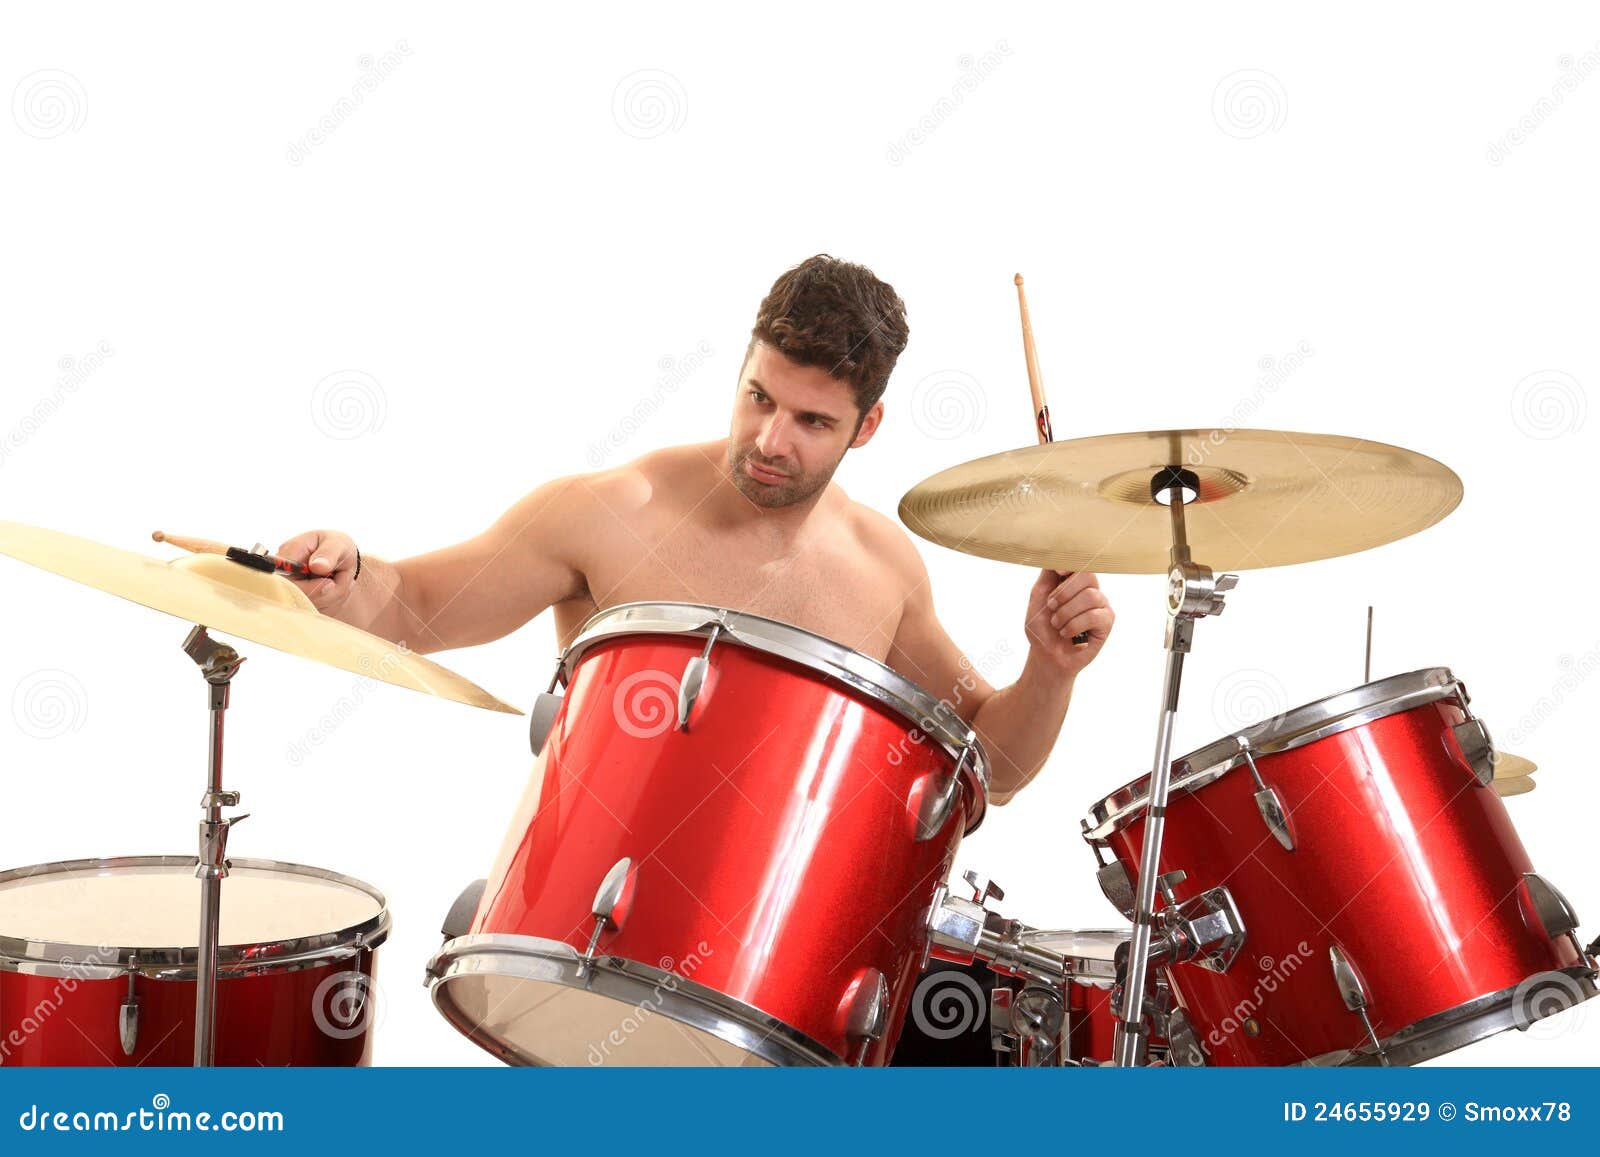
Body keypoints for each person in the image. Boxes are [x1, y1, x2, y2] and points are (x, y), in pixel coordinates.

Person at [278, 254, 1113, 803]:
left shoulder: (882, 568)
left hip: (778, 965)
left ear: (868, 427)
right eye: (759, 398)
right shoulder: (612, 508)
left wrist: (1049, 667)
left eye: (813, 421)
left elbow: (989, 766)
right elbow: (415, 605)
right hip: (588, 928)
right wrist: (349, 574)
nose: (770, 440)